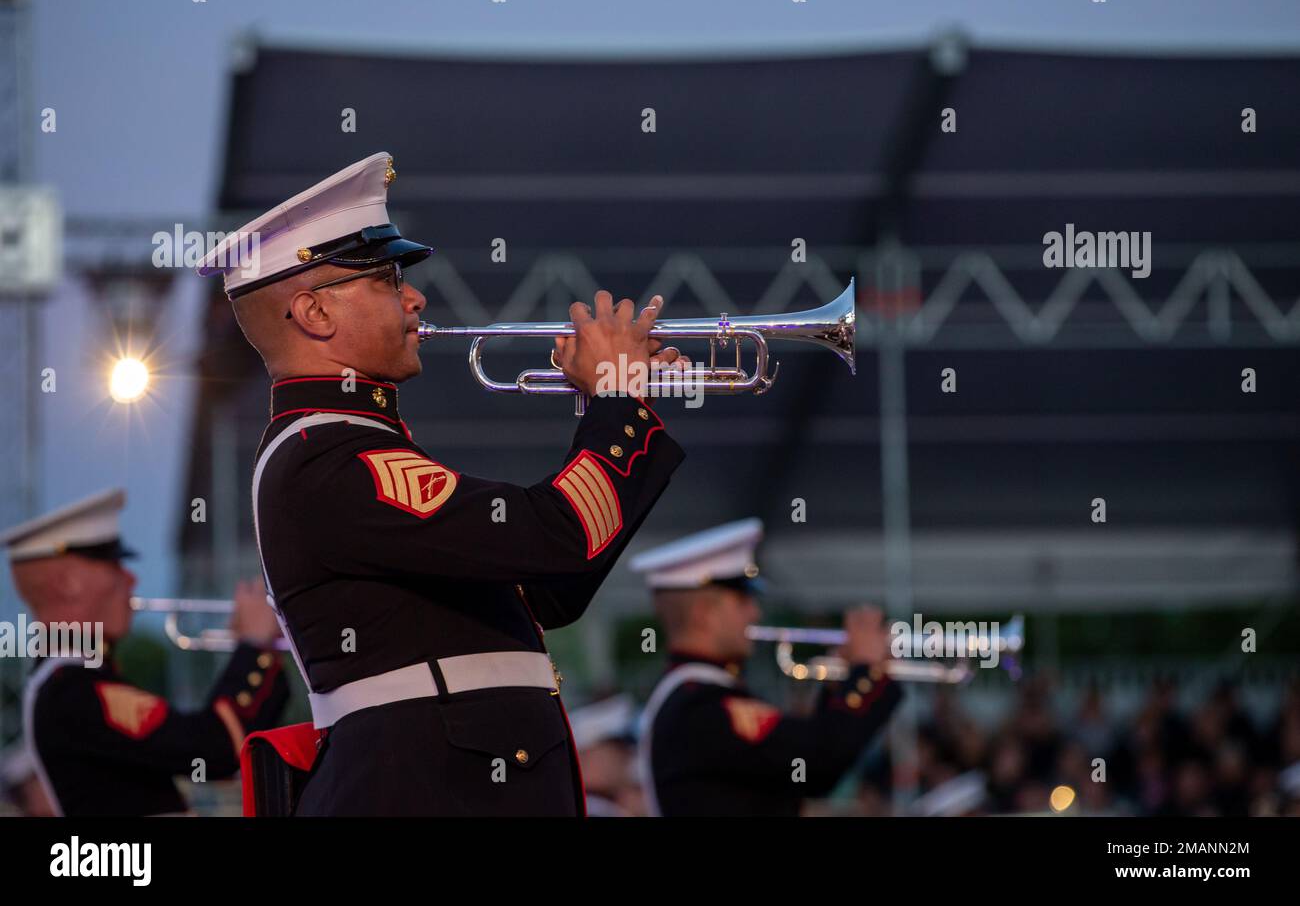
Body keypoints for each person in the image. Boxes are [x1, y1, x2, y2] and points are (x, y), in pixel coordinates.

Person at [197, 151, 687, 815]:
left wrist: (613, 408)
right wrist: (616, 400)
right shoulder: (330, 458)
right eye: (384, 279)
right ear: (314, 314)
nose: (415, 296)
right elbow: (559, 535)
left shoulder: (355, 447)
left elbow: (547, 587)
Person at [2, 489, 289, 816]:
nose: (132, 577)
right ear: (69, 583)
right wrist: (252, 646)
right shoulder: (71, 689)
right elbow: (212, 749)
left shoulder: (74, 682)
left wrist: (259, 649)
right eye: (114, 564)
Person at [632, 517, 902, 816]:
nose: (755, 612)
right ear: (703, 614)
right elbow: (818, 761)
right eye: (743, 600)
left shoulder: (701, 699)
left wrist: (841, 684)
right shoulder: (701, 707)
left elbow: (807, 756)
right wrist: (866, 673)